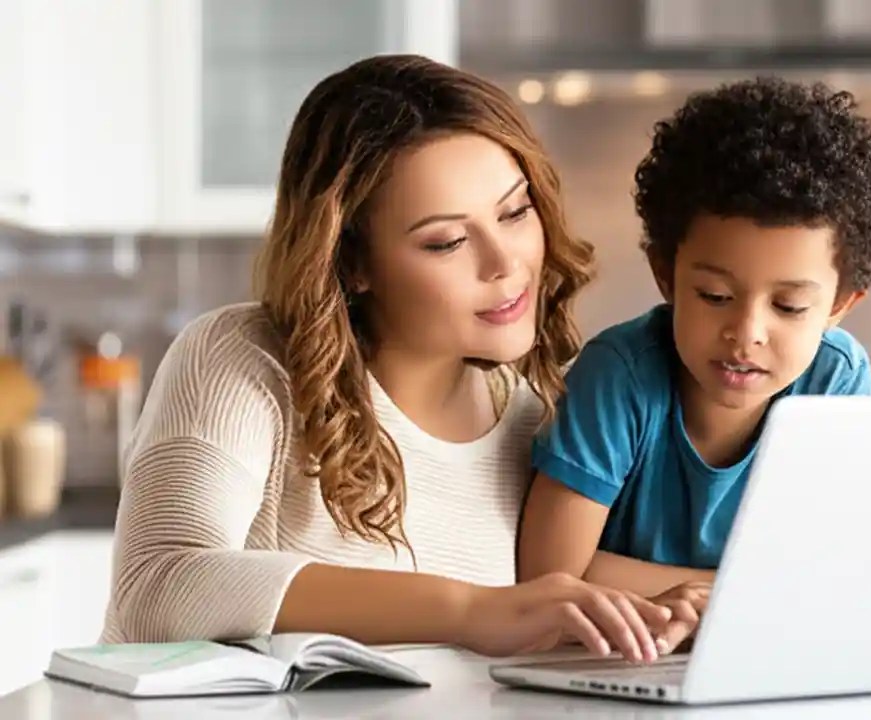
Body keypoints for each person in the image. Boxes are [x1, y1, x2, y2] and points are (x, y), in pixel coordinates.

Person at [102, 54, 678, 664]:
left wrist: (676, 604)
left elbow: (567, 589)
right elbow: (157, 586)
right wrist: (470, 611)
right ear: (352, 261)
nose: (505, 263)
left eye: (515, 212)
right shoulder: (244, 360)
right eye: (446, 241)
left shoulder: (536, 417)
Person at [519, 77, 871, 598]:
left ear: (839, 307)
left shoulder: (835, 377)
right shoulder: (619, 376)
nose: (746, 334)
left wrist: (726, 597)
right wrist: (737, 594)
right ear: (666, 276)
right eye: (714, 295)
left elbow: (830, 565)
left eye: (789, 307)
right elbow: (548, 575)